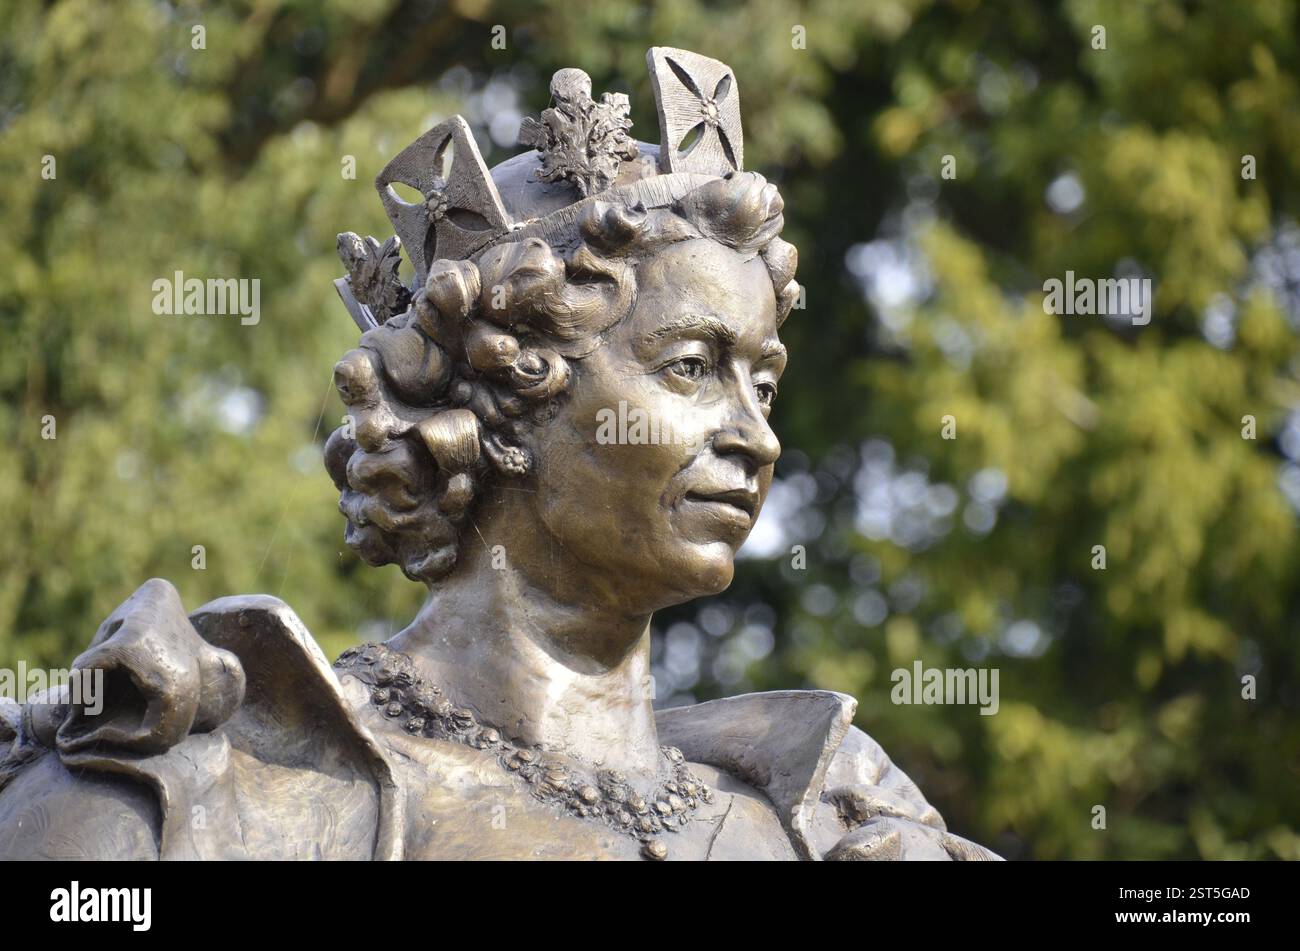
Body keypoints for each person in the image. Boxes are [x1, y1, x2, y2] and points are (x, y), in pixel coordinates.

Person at [0, 49, 999, 861]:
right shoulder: (190, 806)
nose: (756, 434)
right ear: (505, 401)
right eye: (691, 368)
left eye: (764, 381)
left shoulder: (834, 833)